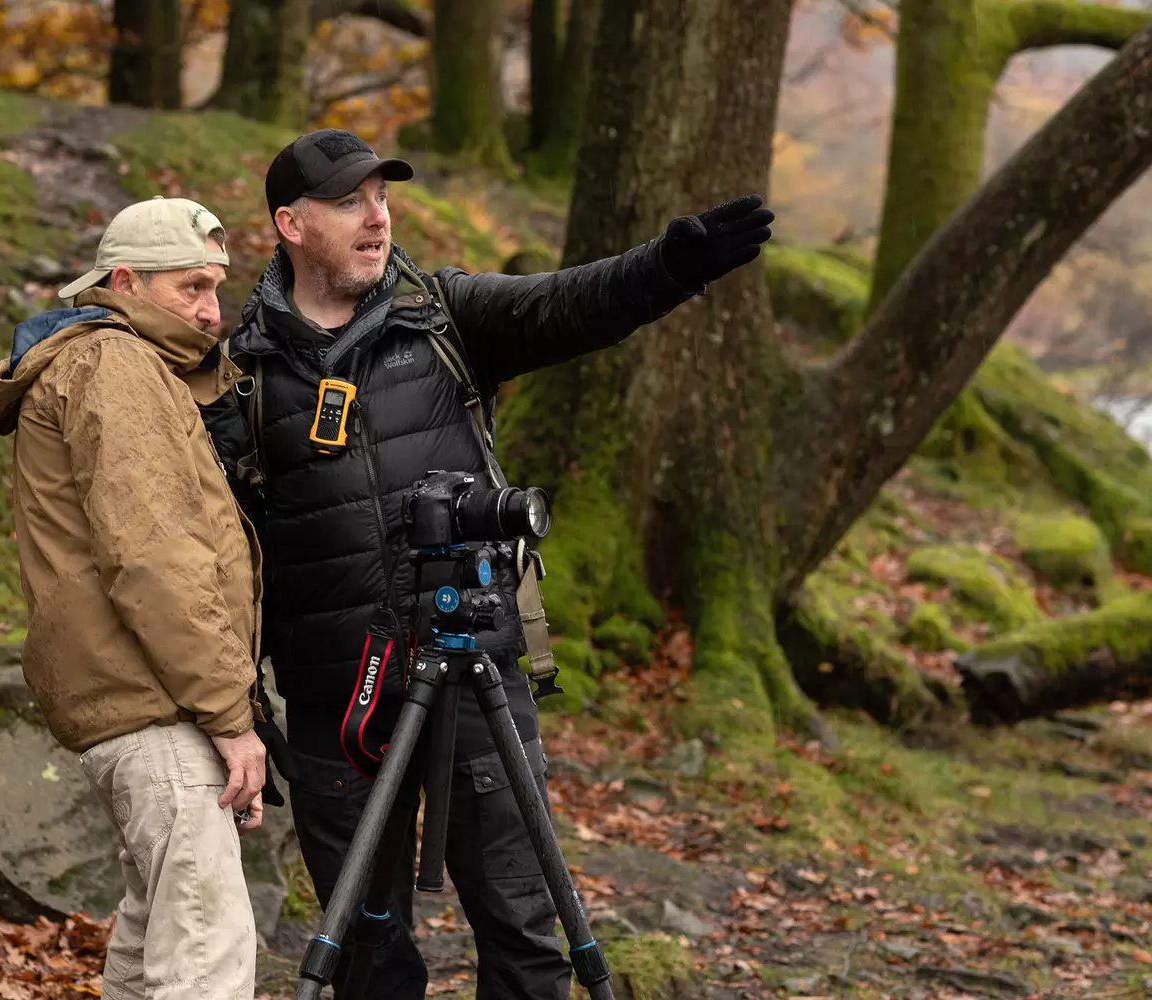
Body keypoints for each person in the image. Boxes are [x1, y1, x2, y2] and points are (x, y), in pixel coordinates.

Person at [206, 129, 774, 999]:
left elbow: (570, 304)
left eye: (383, 197)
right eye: (350, 201)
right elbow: (207, 547)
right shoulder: (241, 374)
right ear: (291, 223)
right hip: (335, 699)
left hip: (475, 673)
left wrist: (668, 266)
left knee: (520, 926)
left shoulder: (446, 317)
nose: (377, 216)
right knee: (364, 949)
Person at [0, 196, 268, 1000]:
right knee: (206, 955)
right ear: (124, 281)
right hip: (152, 702)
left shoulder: (114, 364)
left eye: (216, 288)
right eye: (190, 288)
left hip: (138, 699)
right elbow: (155, 562)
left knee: (152, 947)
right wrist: (229, 714)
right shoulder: (115, 366)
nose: (211, 311)